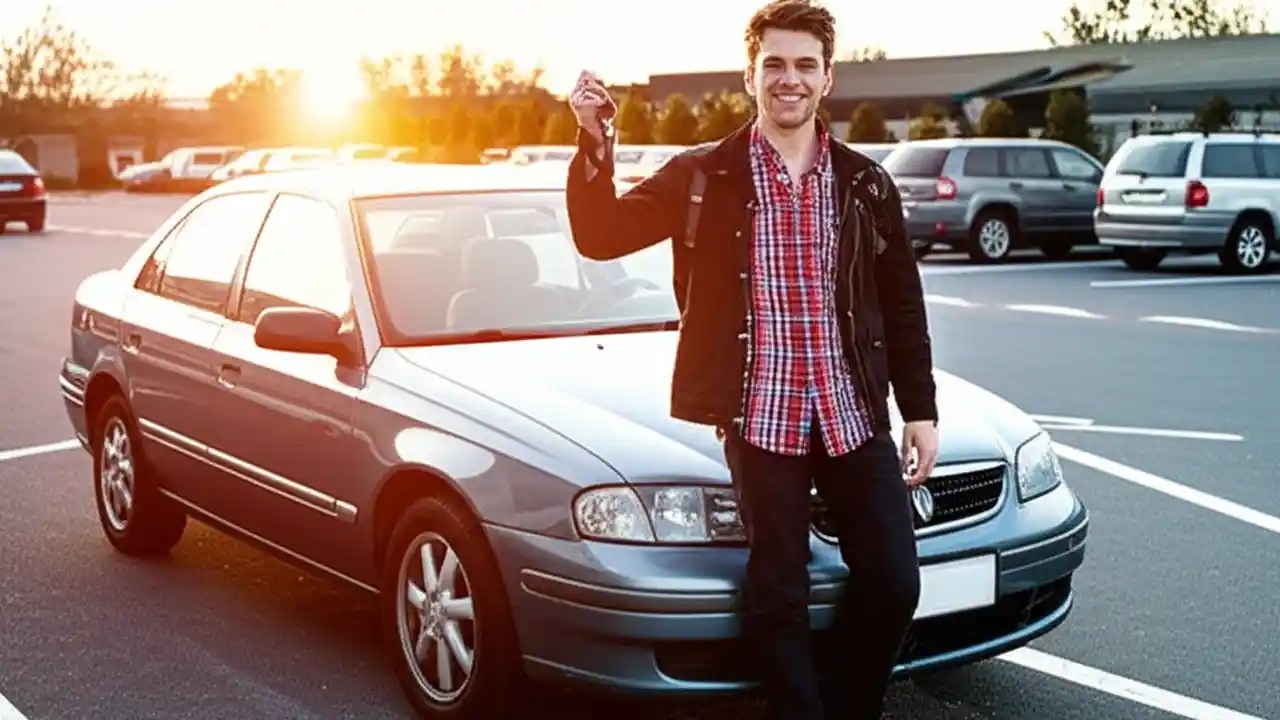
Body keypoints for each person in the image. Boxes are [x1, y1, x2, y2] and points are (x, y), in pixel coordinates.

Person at [564, 1, 939, 717]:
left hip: (851, 411)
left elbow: (901, 304)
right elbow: (601, 234)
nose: (788, 79)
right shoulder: (702, 175)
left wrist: (918, 409)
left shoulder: (864, 183)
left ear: (827, 78)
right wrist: (594, 140)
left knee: (895, 580)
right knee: (778, 593)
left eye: (805, 65)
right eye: (774, 64)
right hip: (760, 416)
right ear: (750, 75)